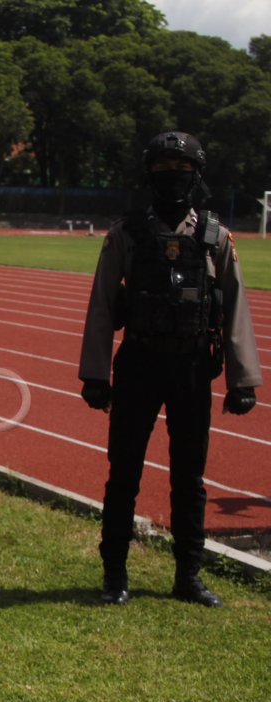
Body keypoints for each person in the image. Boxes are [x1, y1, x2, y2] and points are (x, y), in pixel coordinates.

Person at [79, 131, 262, 607]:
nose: (172, 179)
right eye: (162, 170)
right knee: (124, 472)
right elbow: (102, 304)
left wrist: (243, 380)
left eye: (181, 171)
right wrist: (95, 374)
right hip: (139, 361)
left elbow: (236, 306)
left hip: (192, 366)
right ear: (148, 175)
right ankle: (114, 575)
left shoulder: (214, 236)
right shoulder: (127, 232)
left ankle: (188, 576)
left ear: (196, 176)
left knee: (189, 477)